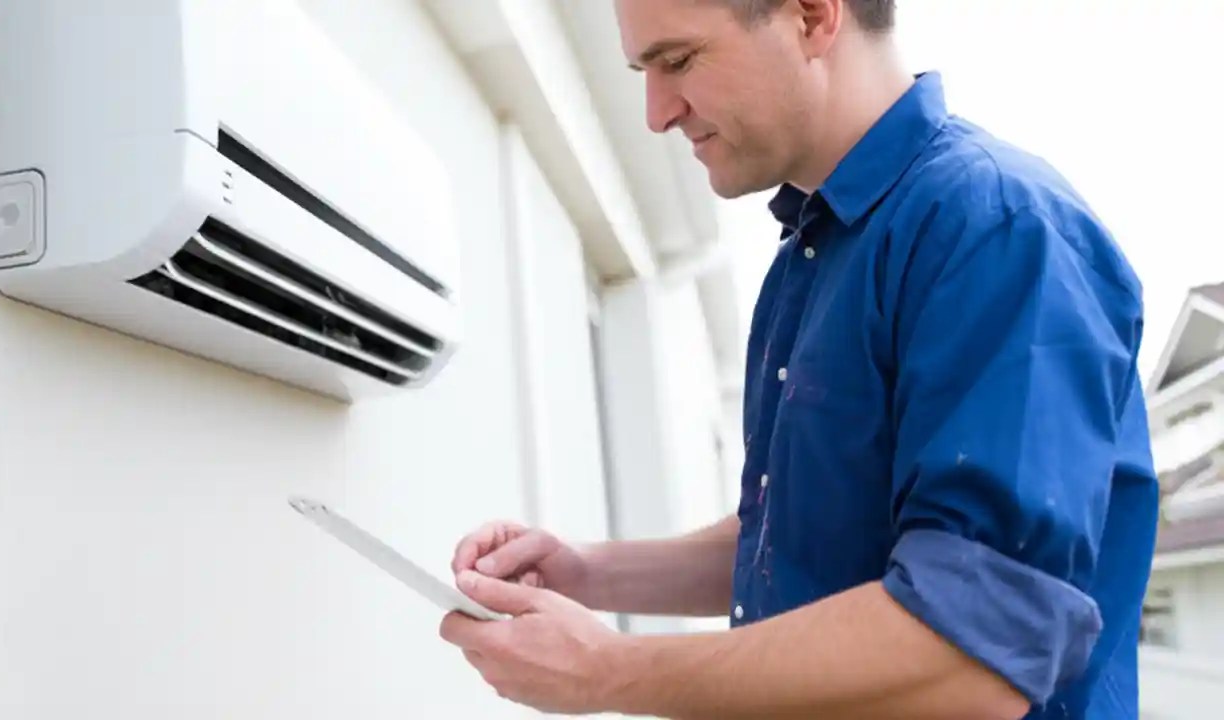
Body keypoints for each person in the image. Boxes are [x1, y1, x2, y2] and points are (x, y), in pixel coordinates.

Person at [438, 1, 1160, 718]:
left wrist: (609, 673)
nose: (657, 114)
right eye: (642, 70)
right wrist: (587, 572)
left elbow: (973, 652)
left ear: (812, 17)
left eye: (679, 60)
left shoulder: (996, 228)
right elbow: (799, 539)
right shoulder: (815, 254)